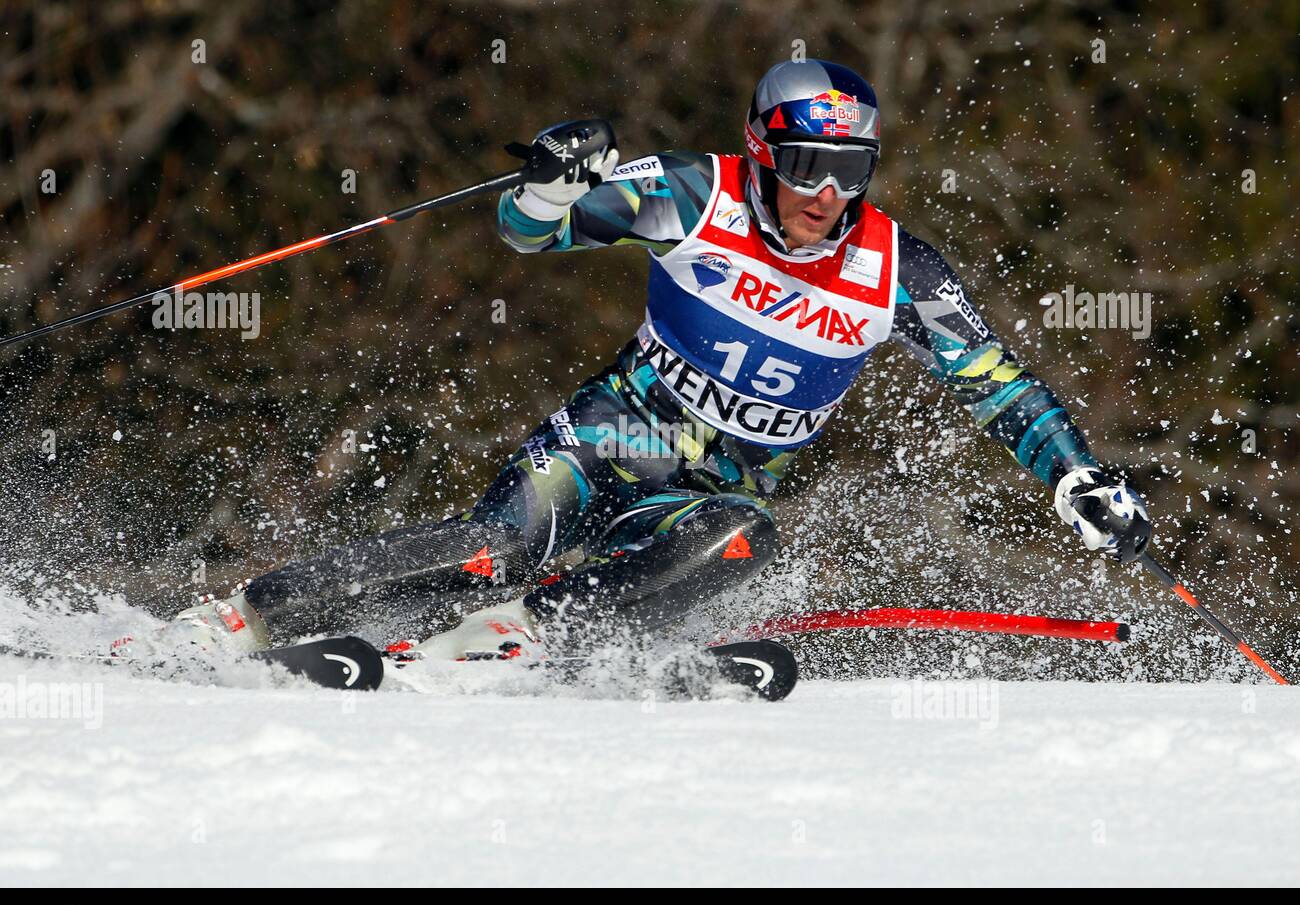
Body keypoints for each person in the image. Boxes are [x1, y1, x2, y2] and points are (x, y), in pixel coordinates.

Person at [167, 59, 1151, 662]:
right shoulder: (691, 193)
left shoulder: (896, 268)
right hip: (610, 437)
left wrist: (1076, 476)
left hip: (712, 481)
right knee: (496, 548)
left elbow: (995, 382)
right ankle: (252, 613)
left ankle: (522, 640)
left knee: (741, 535)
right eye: (803, 165)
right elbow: (525, 232)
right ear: (760, 151)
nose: (821, 195)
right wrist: (552, 185)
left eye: (847, 172)